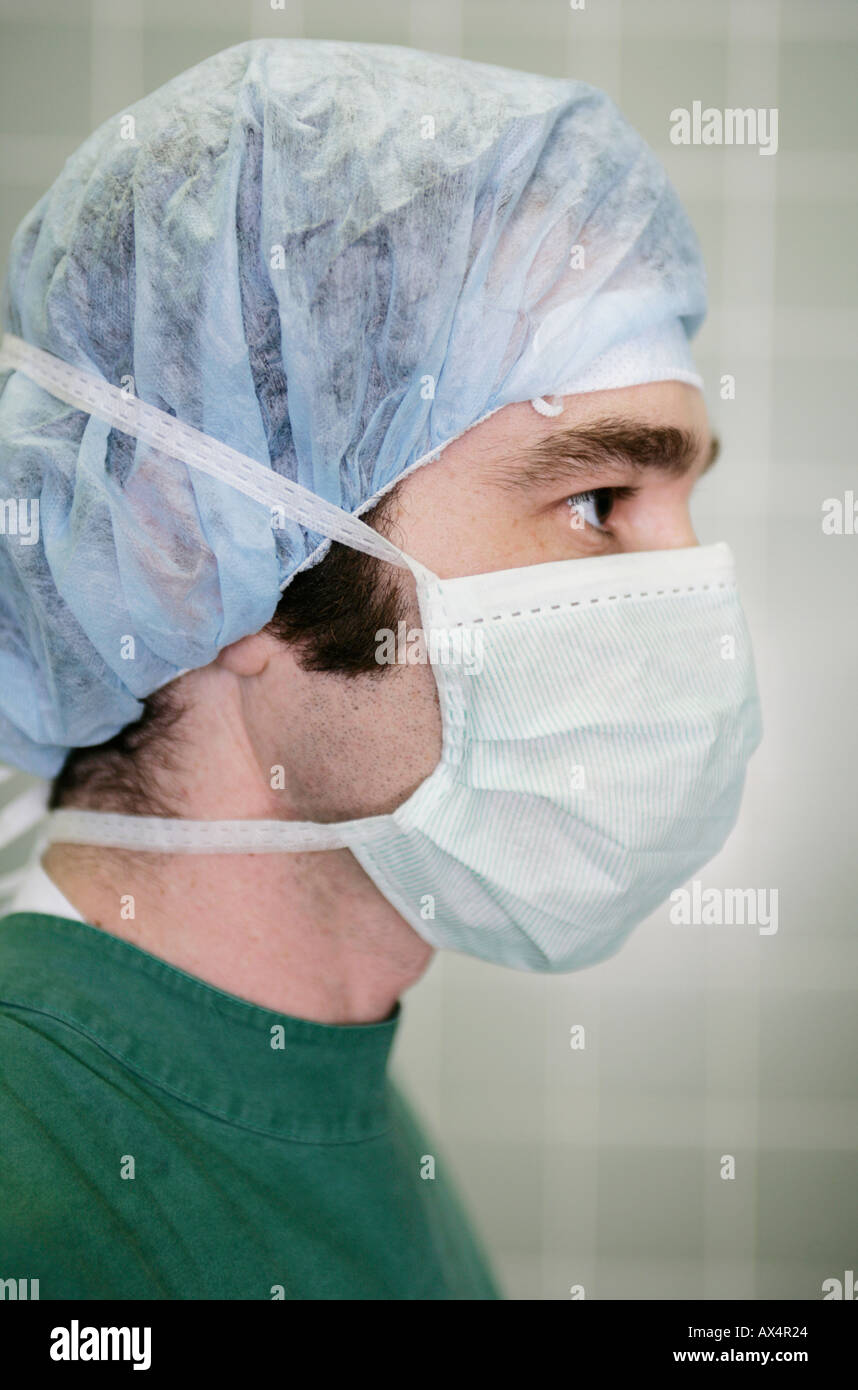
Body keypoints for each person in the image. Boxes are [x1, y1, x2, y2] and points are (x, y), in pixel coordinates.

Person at [0, 39, 761, 1300]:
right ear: (196, 544)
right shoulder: (37, 1173)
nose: (687, 593)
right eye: (599, 497)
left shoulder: (320, 1088)